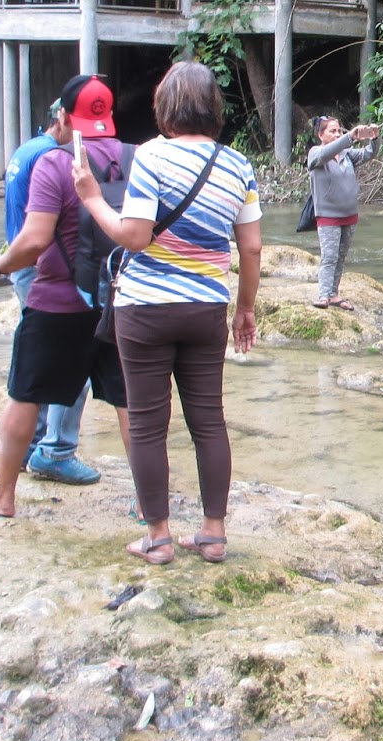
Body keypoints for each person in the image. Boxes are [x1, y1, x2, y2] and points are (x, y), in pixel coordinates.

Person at [74, 61, 262, 565]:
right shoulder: (238, 164)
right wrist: (245, 309)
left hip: (146, 310)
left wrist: (93, 199)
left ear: (164, 106)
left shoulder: (150, 157)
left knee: (147, 425)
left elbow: (134, 235)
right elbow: (251, 248)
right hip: (206, 307)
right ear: (213, 108)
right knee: (209, 421)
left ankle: (157, 536)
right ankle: (213, 533)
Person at [0, 74, 133, 519]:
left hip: (58, 303)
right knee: (130, 402)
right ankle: (147, 503)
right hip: (121, 305)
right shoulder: (135, 160)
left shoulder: (55, 162)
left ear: (64, 116)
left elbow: (36, 239)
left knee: (25, 394)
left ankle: (2, 498)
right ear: (110, 115)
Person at [0, 100, 101, 486]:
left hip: (25, 264)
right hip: (47, 271)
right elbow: (45, 229)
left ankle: (31, 448)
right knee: (68, 368)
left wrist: (4, 264)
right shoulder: (54, 159)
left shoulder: (26, 150)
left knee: (36, 367)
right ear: (62, 119)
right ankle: (54, 451)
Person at [306, 114, 380, 310]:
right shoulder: (315, 153)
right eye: (332, 131)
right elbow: (324, 155)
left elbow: (369, 154)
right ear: (321, 135)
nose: (337, 134)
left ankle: (333, 294)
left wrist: (374, 137)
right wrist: (349, 138)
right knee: (329, 256)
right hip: (328, 216)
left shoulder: (347, 155)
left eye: (339, 130)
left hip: (349, 215)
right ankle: (323, 295)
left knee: (341, 256)